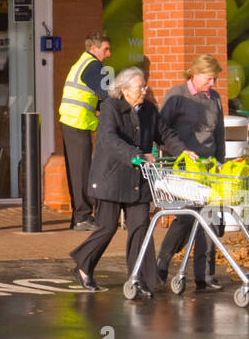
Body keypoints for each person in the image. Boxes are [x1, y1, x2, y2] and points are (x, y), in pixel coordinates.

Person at [69, 67, 182, 299]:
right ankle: (83, 265)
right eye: (140, 87)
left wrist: (184, 151)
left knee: (141, 228)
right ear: (124, 89)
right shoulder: (110, 107)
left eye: (144, 86)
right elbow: (109, 139)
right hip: (110, 177)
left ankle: (140, 280)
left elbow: (165, 135)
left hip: (138, 181)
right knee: (107, 227)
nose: (145, 90)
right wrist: (136, 154)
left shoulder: (149, 109)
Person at [155, 54, 227, 291]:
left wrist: (220, 160)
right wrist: (177, 153)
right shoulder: (177, 95)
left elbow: (219, 134)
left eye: (215, 79)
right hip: (183, 166)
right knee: (187, 217)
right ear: (195, 74)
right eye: (209, 79)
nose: (213, 84)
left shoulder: (214, 98)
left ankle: (204, 275)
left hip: (208, 167)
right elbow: (162, 130)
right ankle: (161, 264)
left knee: (211, 217)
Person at [58, 31, 111, 231]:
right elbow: (107, 94)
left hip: (73, 121)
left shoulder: (82, 63)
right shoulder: (93, 65)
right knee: (81, 171)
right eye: (105, 49)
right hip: (77, 122)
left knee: (78, 170)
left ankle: (79, 217)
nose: (108, 54)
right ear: (94, 48)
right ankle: (81, 217)